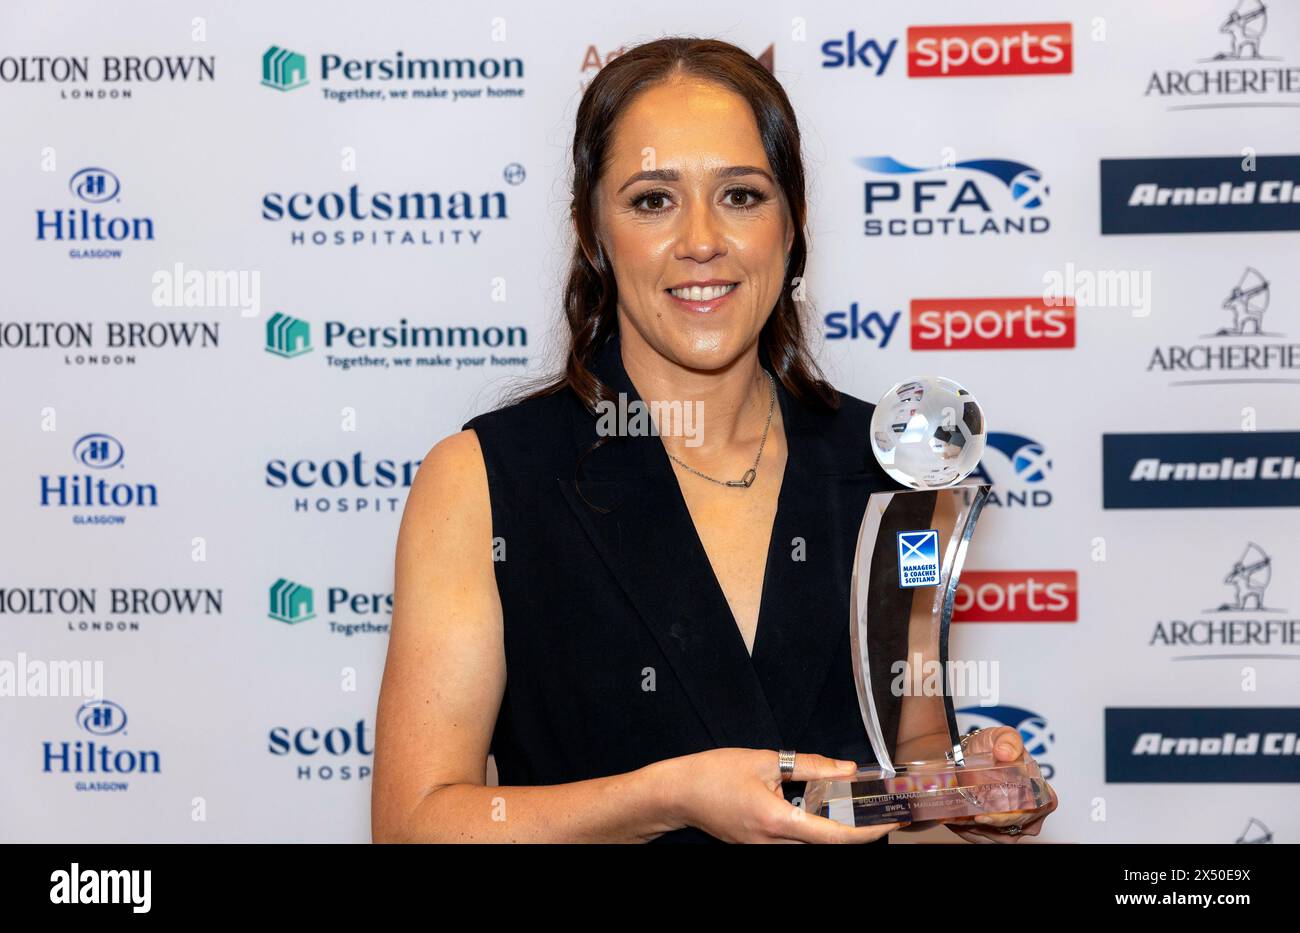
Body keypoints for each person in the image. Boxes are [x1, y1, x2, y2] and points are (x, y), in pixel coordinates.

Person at [371, 36, 1057, 843]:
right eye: (652, 200)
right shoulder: (486, 479)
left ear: (793, 224)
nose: (702, 240)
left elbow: (905, 743)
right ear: (592, 230)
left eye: (741, 195)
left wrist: (964, 784)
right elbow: (414, 823)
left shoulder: (890, 468)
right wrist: (667, 795)